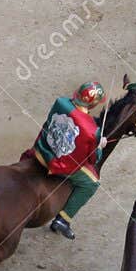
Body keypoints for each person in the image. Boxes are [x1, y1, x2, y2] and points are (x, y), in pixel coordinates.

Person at [31, 81, 106, 240]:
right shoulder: (93, 130)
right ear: (93, 104)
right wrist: (99, 145)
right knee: (92, 183)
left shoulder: (60, 102)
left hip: (41, 148)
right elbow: (93, 159)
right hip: (56, 163)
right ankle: (63, 220)